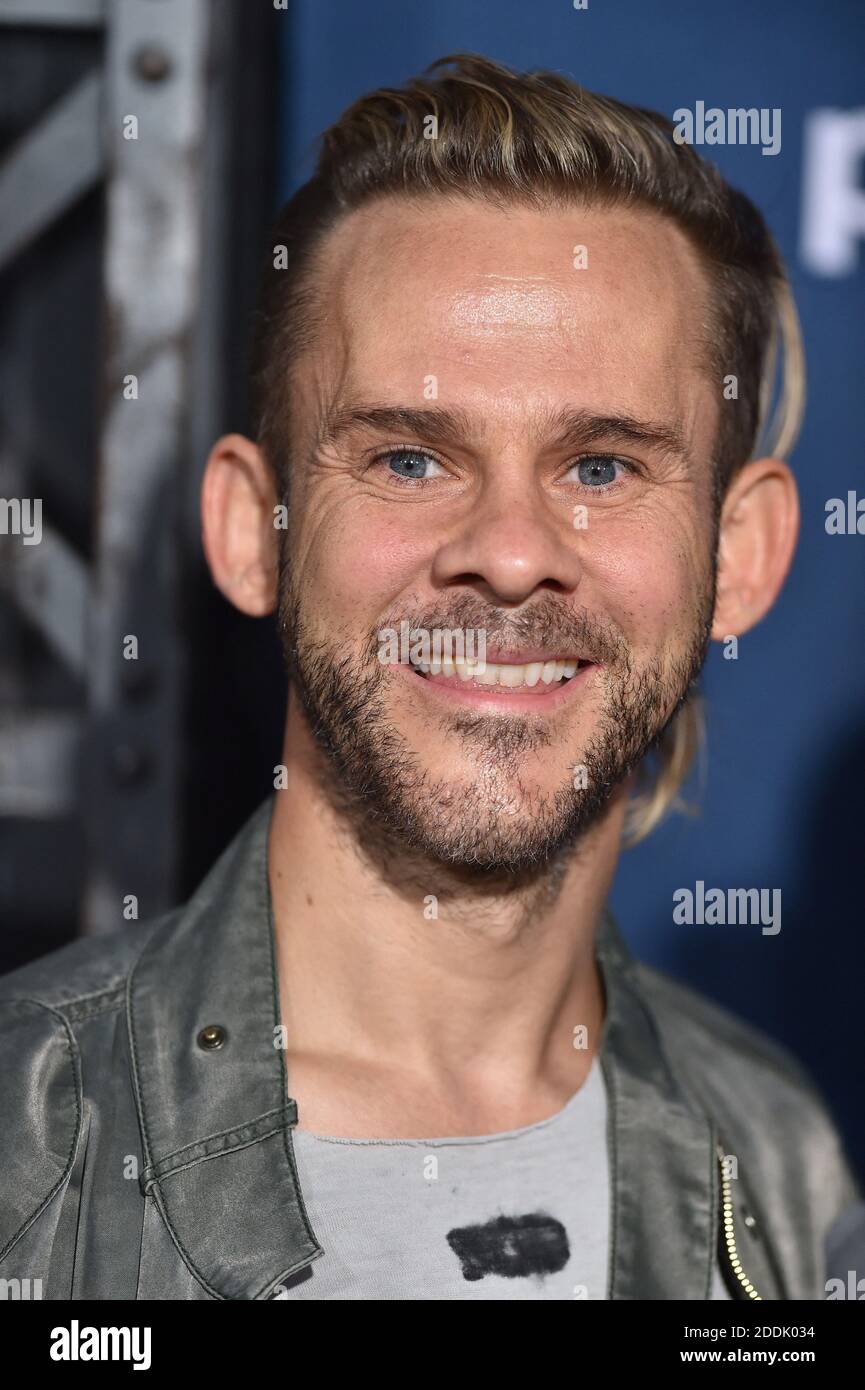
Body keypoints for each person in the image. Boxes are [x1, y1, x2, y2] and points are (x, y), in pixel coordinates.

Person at [0, 54, 858, 1301]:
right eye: (408, 459)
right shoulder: (23, 1155)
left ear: (741, 556)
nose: (508, 553)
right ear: (252, 529)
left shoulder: (779, 1163)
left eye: (602, 467)